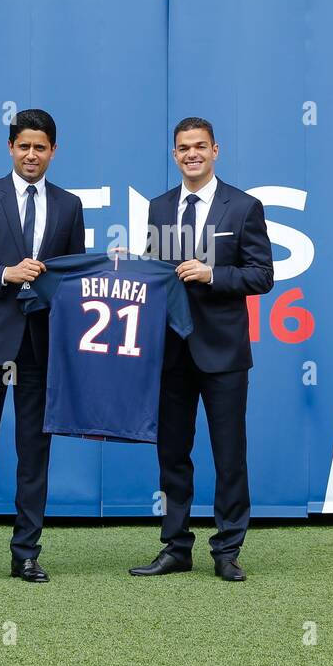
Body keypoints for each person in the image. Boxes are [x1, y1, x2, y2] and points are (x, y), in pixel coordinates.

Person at [0, 108, 86, 586]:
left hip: (40, 346)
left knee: (34, 451)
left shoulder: (69, 205)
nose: (31, 155)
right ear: (10, 147)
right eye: (23, 146)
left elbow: (73, 278)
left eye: (40, 147)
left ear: (53, 151)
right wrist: (4, 274)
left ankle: (26, 553)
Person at [130, 116, 274, 582]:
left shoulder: (244, 207)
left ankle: (228, 548)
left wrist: (214, 275)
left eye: (199, 146)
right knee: (172, 453)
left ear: (216, 150)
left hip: (224, 353)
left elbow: (261, 275)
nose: (191, 154)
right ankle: (176, 546)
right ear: (174, 155)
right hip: (170, 352)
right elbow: (153, 276)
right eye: (183, 148)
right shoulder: (158, 208)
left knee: (229, 453)